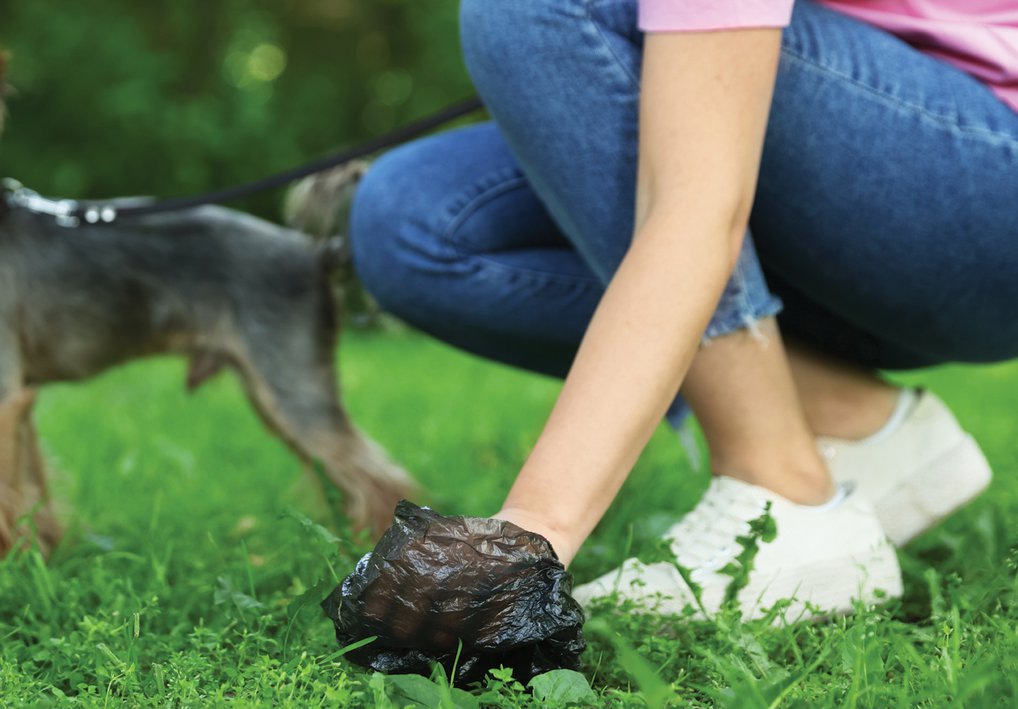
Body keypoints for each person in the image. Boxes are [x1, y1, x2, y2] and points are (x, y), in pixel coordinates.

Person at [349, 0, 1018, 619]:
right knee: (414, 217)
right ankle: (851, 423)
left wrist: (529, 533)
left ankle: (778, 487)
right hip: (863, 159)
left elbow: (696, 206)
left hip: (981, 191)